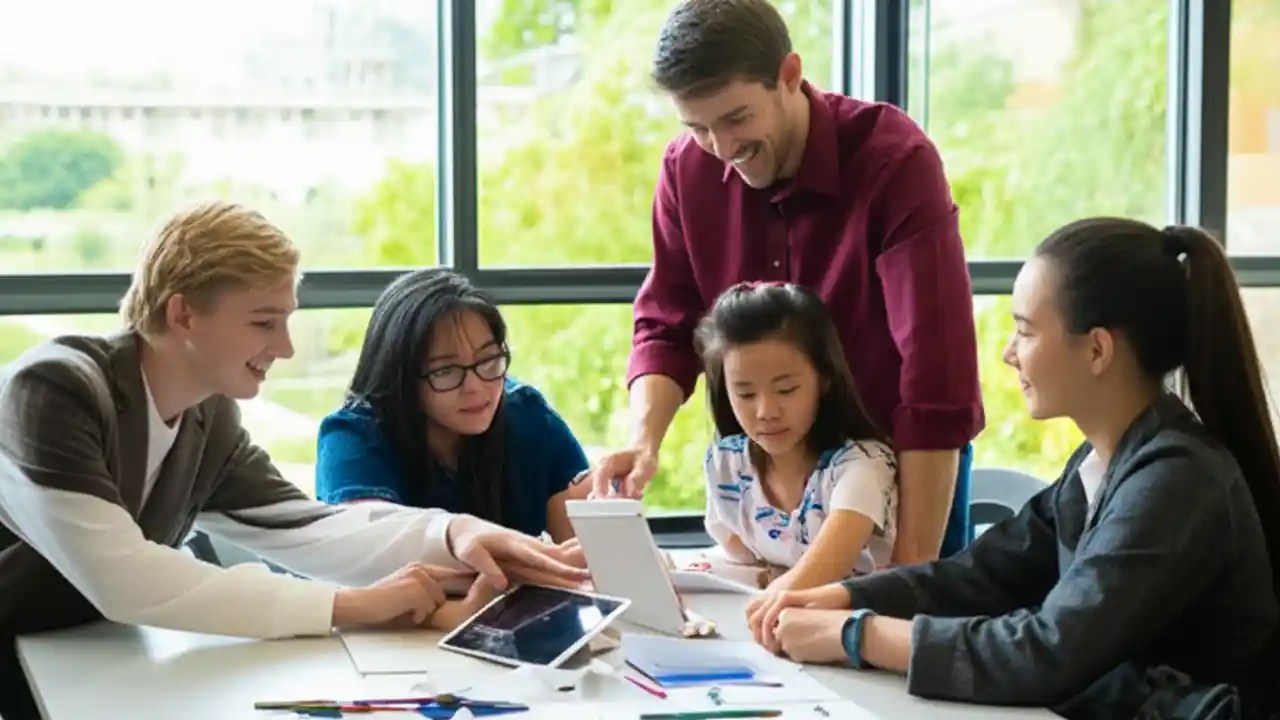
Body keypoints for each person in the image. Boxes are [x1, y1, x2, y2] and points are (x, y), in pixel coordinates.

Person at [0, 201, 588, 720]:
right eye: (264, 322)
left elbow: (307, 527)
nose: (283, 347)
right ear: (183, 315)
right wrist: (353, 607)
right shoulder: (56, 389)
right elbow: (122, 577)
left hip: (68, 653)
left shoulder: (210, 422)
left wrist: (458, 533)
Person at [753, 218, 1280, 718]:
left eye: (1025, 331)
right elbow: (981, 576)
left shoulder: (1176, 480)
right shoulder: (1100, 465)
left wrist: (856, 634)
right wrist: (843, 595)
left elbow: (1049, 653)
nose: (1009, 353)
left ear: (1097, 349)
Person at [587, 0, 983, 564]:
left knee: (899, 632)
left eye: (737, 118)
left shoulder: (894, 160)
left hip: (903, 466)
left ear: (789, 76)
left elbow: (936, 375)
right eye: (698, 127)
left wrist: (908, 573)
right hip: (769, 478)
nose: (722, 150)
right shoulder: (686, 167)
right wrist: (642, 441)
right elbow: (666, 324)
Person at [316, 268, 591, 541]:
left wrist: (611, 501)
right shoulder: (351, 438)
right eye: (445, 370)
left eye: (487, 360)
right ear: (399, 376)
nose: (475, 387)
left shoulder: (526, 416)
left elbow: (586, 550)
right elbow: (374, 543)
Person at [694, 282, 897, 600]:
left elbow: (822, 572)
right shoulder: (726, 464)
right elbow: (739, 559)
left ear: (825, 380)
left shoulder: (860, 468)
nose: (766, 411)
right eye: (745, 393)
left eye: (786, 389)